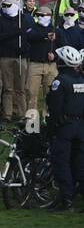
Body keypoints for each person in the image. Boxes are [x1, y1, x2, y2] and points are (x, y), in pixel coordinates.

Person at [44, 45, 84, 211]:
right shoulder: (82, 81)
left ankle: (66, 200)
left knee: (61, 163)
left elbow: (55, 109)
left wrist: (51, 130)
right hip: (80, 127)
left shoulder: (60, 82)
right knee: (79, 164)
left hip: (65, 127)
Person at [0, 0, 26, 122]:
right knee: (7, 88)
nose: (5, 8)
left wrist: (25, 48)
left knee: (20, 88)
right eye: (3, 5)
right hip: (5, 57)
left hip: (20, 58)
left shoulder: (25, 20)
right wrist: (15, 33)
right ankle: (7, 114)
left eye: (8, 5)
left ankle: (22, 114)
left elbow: (30, 35)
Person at [24, 5, 58, 117]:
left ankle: (47, 117)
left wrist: (55, 56)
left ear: (50, 16)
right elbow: (30, 36)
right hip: (35, 64)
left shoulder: (55, 30)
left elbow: (61, 47)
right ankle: (31, 119)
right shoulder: (33, 27)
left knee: (50, 94)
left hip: (51, 65)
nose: (41, 17)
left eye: (44, 15)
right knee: (31, 92)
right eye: (39, 15)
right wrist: (45, 36)